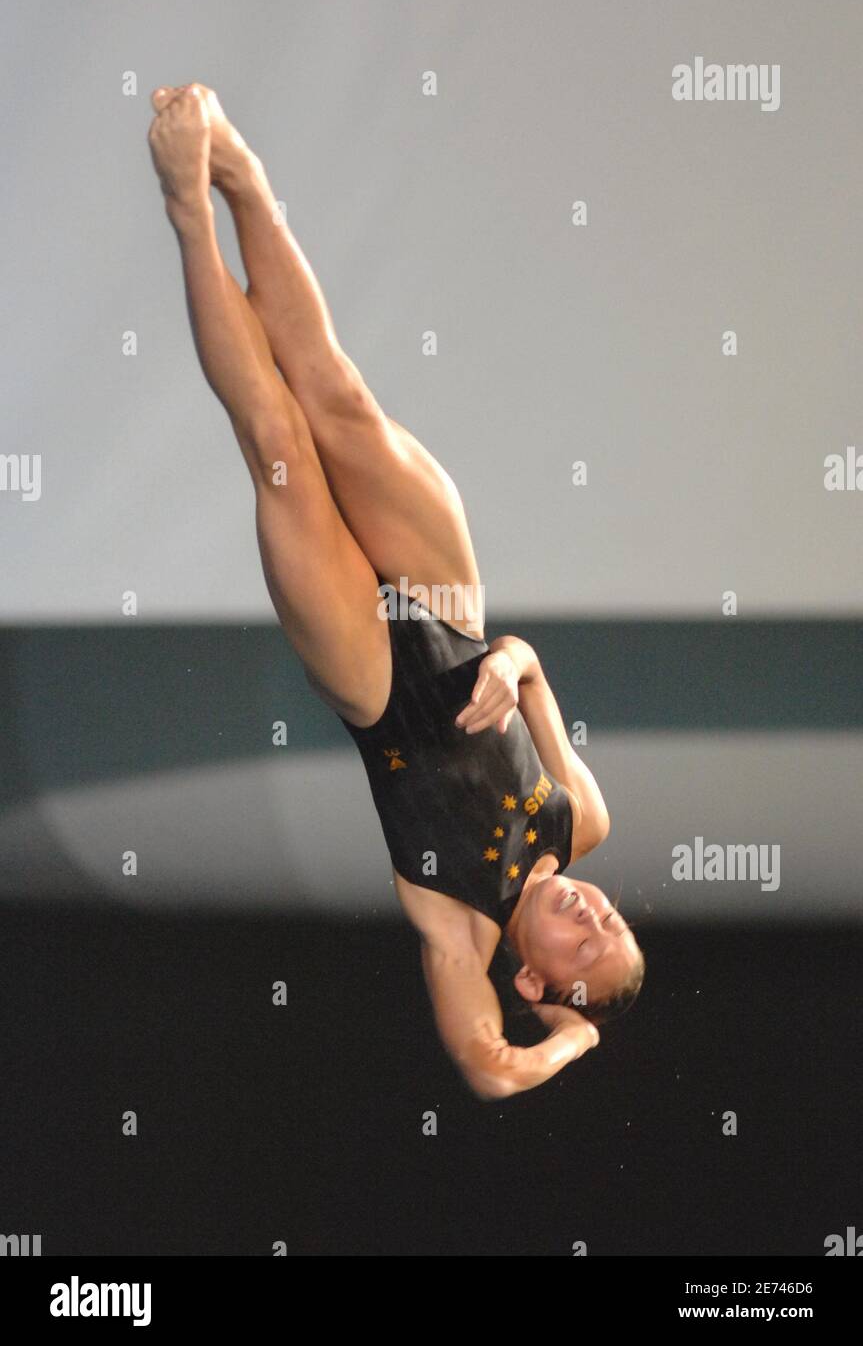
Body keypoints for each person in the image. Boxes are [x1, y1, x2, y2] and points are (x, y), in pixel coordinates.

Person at [147, 83, 645, 1100]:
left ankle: (188, 210)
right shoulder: (579, 819)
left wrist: (571, 1041)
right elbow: (530, 663)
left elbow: (489, 1073)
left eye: (586, 951)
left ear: (537, 979)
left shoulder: (457, 933)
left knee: (277, 442)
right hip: (450, 609)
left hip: (372, 680)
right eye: (617, 924)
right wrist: (507, 661)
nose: (598, 917)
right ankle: (239, 174)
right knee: (335, 397)